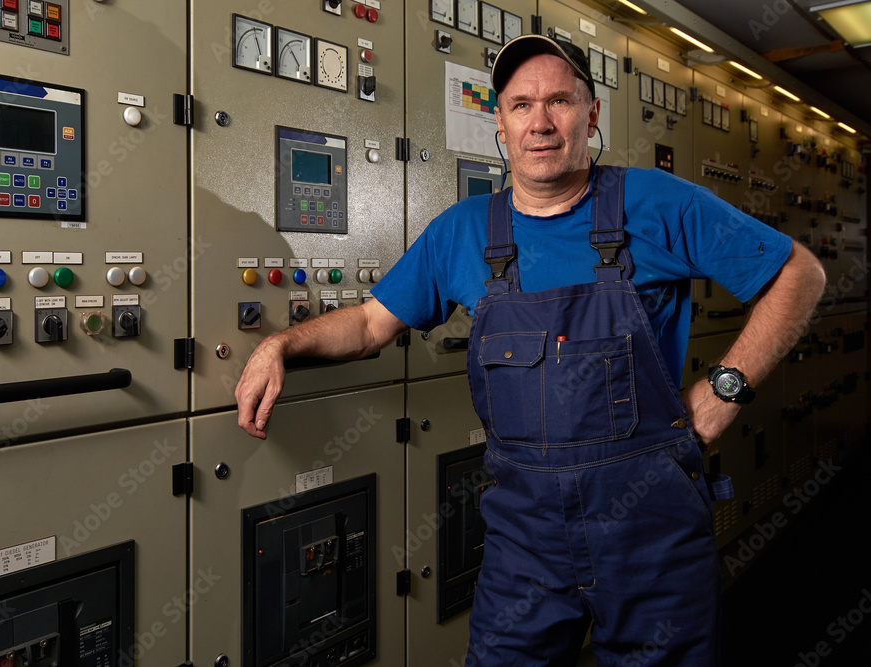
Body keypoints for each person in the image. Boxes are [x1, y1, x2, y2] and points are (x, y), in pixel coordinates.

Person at [236, 34, 826, 665]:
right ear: (500, 121)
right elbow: (368, 325)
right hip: (525, 542)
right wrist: (281, 344)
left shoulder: (656, 203)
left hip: (650, 534)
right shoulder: (463, 231)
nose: (540, 123)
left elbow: (800, 275)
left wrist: (724, 390)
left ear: (592, 113)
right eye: (521, 105)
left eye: (559, 101)